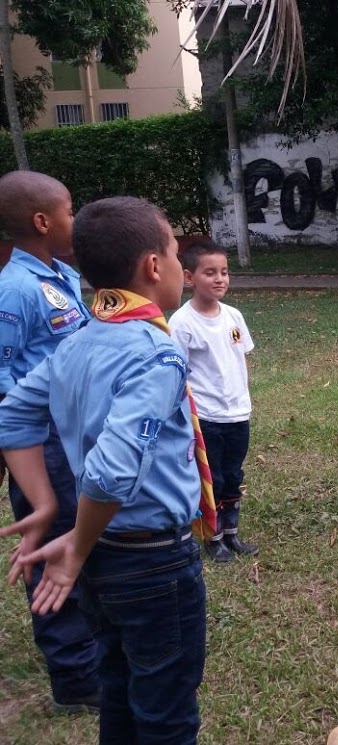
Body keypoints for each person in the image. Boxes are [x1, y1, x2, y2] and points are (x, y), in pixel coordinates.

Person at [0, 196, 208, 744]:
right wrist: (75, 549)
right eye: (173, 251)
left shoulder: (75, 344)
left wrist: (49, 507)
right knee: (167, 707)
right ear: (154, 266)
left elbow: (12, 415)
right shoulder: (157, 355)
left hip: (102, 562)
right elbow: (112, 473)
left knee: (118, 685)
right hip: (153, 562)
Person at [0, 170, 100, 713]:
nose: (74, 218)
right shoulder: (13, 290)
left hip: (74, 435)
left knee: (80, 538)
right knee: (51, 542)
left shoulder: (60, 272)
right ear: (42, 222)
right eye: (69, 209)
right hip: (41, 447)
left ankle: (93, 645)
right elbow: (3, 380)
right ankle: (75, 679)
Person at [171, 239, 258, 563]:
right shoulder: (182, 323)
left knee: (233, 474)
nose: (220, 278)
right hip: (205, 416)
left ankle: (232, 534)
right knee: (213, 478)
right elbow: (177, 373)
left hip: (237, 413)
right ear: (190, 277)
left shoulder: (233, 316)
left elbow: (241, 359)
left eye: (224, 272)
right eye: (210, 273)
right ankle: (213, 537)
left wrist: (244, 397)